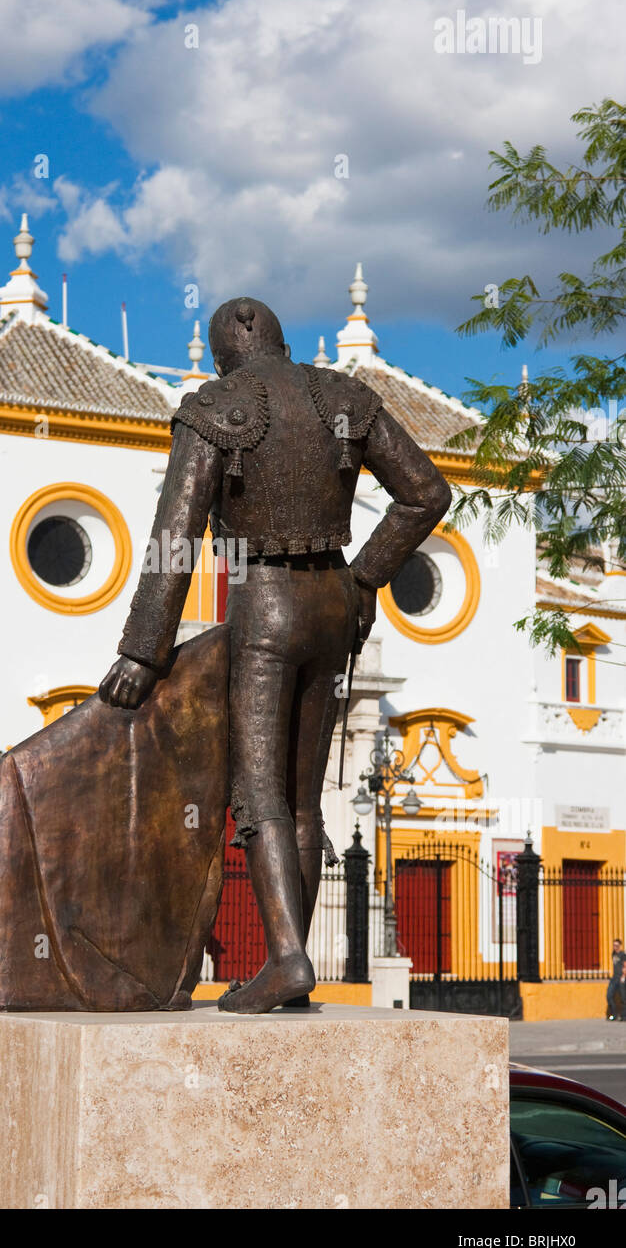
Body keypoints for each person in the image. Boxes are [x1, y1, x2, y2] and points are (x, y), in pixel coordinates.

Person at [100, 296, 450, 1013]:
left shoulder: (212, 408)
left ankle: (288, 959)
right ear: (282, 343)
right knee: (303, 797)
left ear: (223, 351)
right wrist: (365, 575)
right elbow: (426, 493)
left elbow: (177, 536)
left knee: (258, 796)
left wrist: (143, 651)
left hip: (267, 605)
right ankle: (287, 967)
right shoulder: (344, 397)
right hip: (335, 603)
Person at [606, 938, 626, 1020]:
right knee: (609, 996)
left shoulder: (623, 955)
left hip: (621, 978)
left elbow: (625, 966)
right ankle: (614, 1014)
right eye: (614, 945)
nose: (615, 947)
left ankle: (624, 1016)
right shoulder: (613, 954)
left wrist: (623, 977)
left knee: (623, 997)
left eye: (617, 945)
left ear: (620, 946)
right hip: (614, 978)